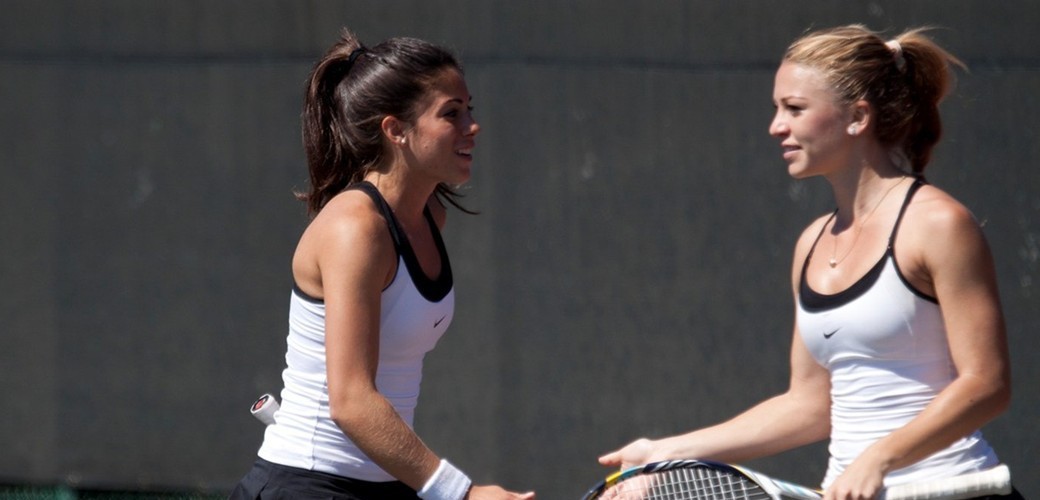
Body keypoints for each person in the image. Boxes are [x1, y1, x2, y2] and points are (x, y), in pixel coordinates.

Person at [598, 25, 1020, 500]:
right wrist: (662, 452)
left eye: (795, 109)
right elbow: (810, 405)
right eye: (778, 109)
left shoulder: (939, 224)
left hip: (958, 489)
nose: (776, 126)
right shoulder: (812, 243)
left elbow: (988, 384)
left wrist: (879, 457)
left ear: (858, 117)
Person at [230, 28, 535, 500]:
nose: (471, 126)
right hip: (308, 487)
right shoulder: (355, 229)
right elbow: (351, 401)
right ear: (396, 130)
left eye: (470, 109)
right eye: (451, 114)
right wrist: (463, 493)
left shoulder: (431, 216)